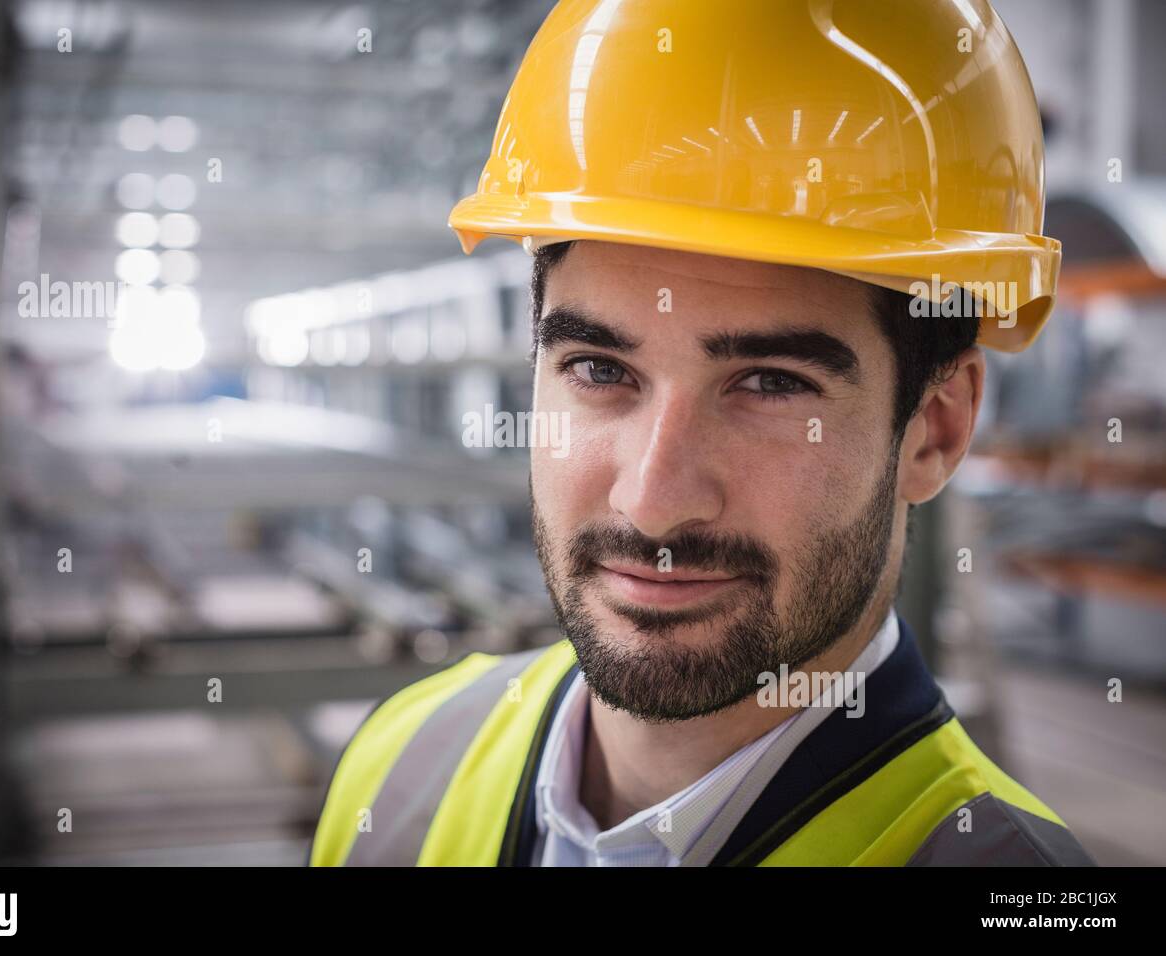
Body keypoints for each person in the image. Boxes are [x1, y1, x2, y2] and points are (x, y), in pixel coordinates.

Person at [309, 0, 1094, 866]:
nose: (652, 501)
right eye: (601, 371)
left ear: (934, 430)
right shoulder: (403, 761)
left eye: (769, 385)